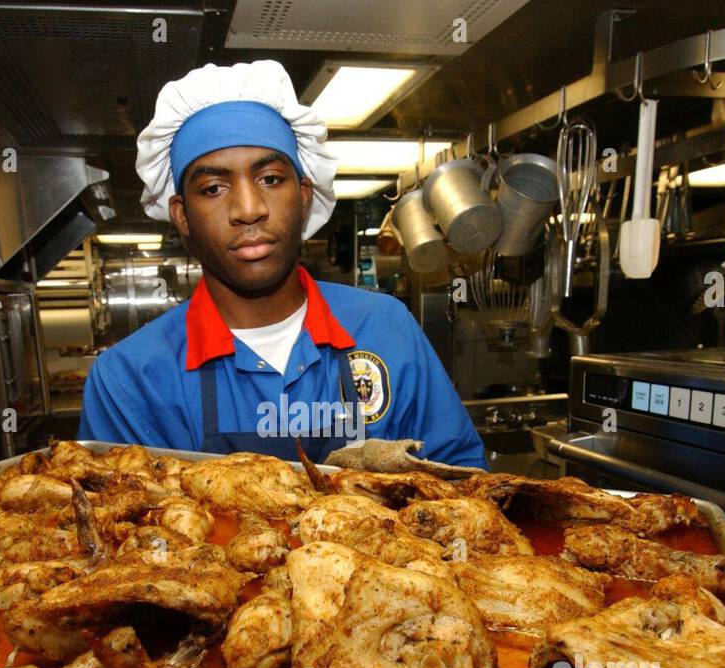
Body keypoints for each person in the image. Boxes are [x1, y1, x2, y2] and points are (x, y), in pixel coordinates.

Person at [77, 59, 486, 468]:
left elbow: (463, 481)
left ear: (304, 196)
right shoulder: (130, 380)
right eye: (214, 187)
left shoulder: (386, 329)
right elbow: (118, 517)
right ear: (182, 215)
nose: (249, 209)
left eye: (270, 179)